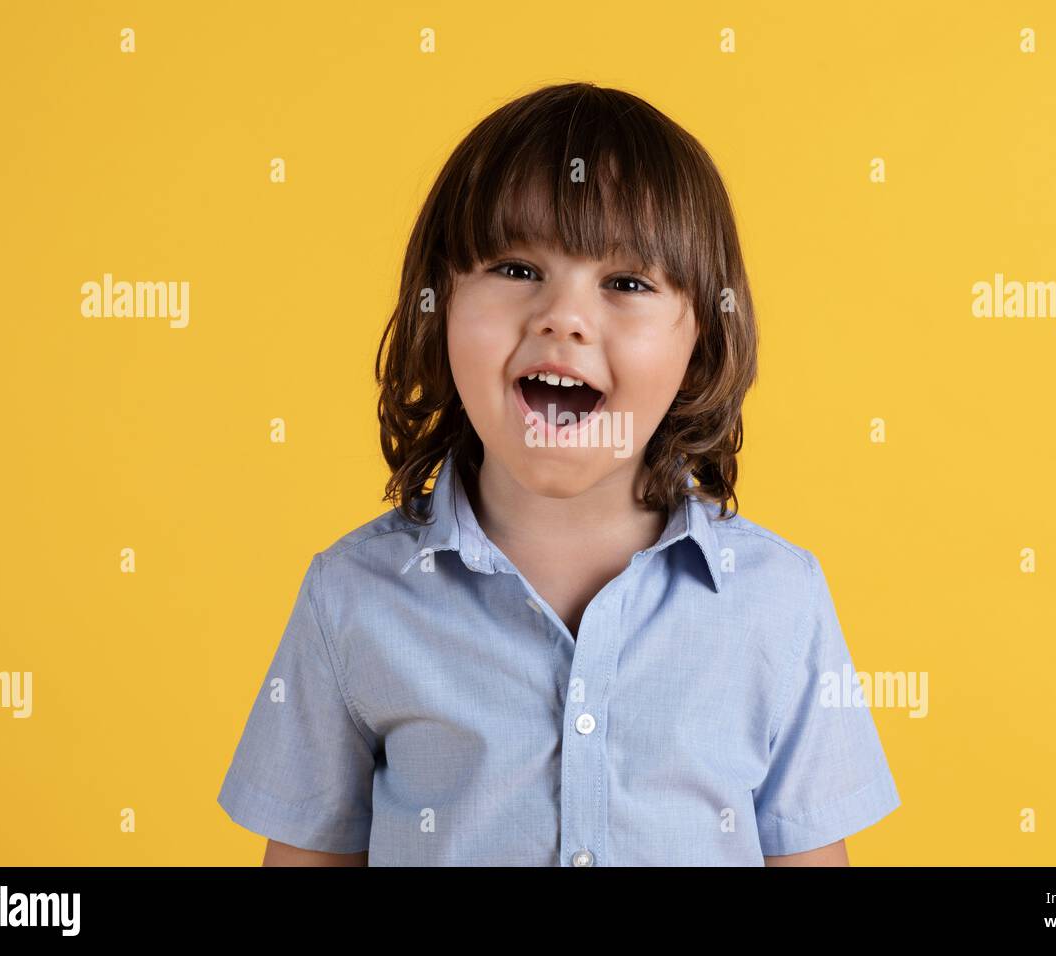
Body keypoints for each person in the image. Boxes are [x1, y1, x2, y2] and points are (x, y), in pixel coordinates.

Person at [217, 82, 901, 866]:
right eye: (516, 268)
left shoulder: (778, 600)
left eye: (627, 284)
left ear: (702, 341)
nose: (563, 317)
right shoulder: (352, 597)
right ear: (439, 307)